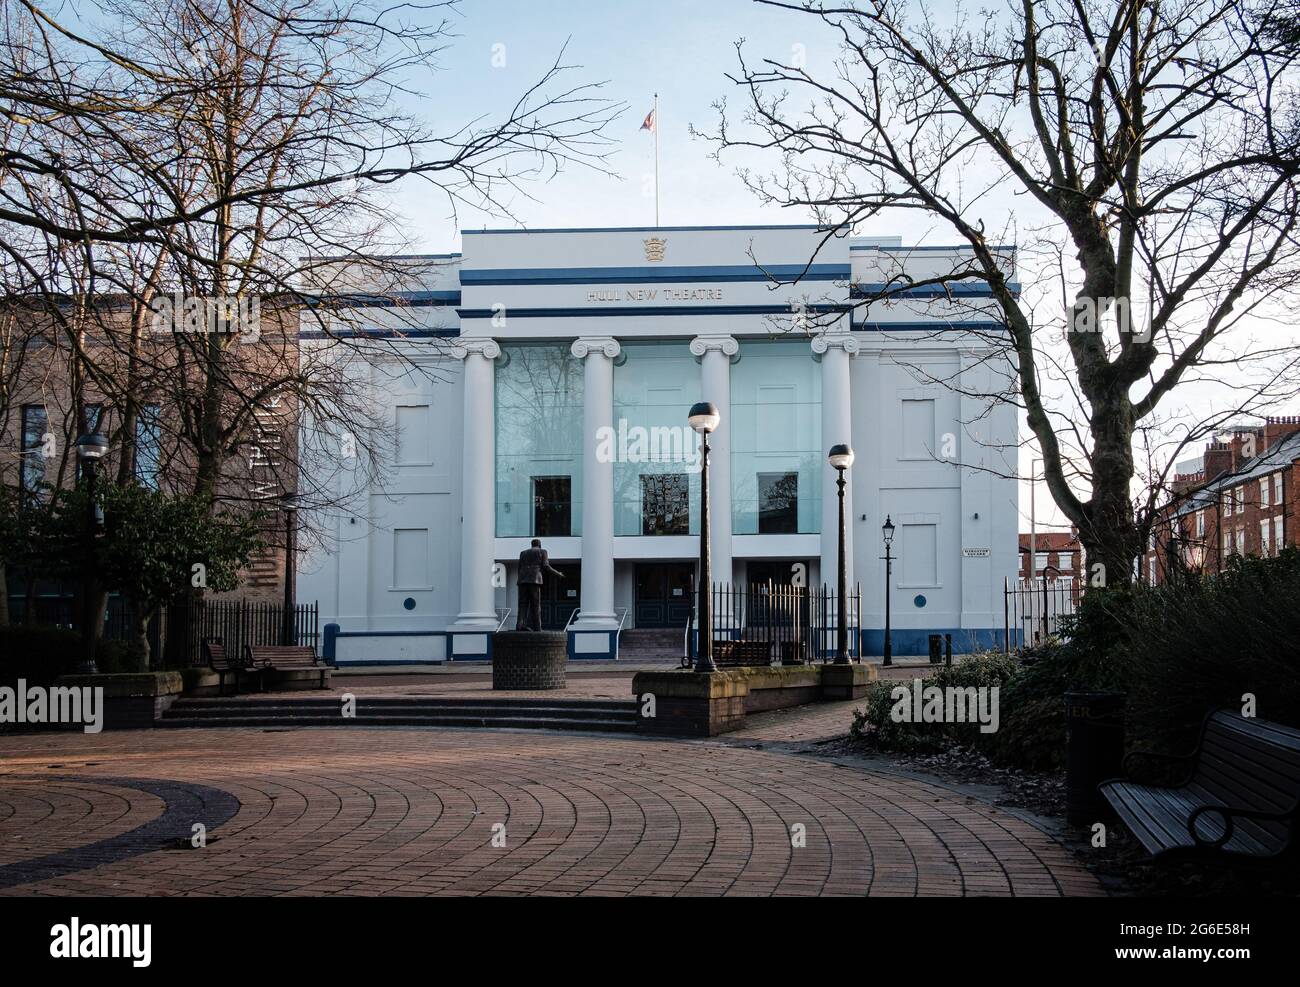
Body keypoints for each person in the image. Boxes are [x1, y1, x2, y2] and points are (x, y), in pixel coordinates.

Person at [516, 538, 564, 631]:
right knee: (535, 604)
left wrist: (520, 579)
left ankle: (519, 625)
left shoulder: (523, 553)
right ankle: (537, 627)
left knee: (522, 604)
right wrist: (558, 574)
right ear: (539, 545)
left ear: (532, 545)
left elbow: (519, 567)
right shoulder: (543, 551)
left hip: (522, 580)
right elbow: (546, 566)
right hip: (534, 579)